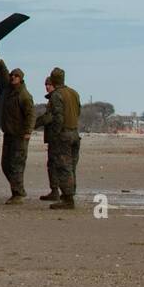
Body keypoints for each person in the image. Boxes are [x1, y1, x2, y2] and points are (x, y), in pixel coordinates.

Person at [35, 67, 81, 211]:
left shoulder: (56, 95)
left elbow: (58, 118)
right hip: (74, 133)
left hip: (63, 136)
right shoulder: (73, 93)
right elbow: (78, 111)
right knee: (71, 166)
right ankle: (68, 195)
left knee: (63, 167)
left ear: (53, 79)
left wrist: (55, 135)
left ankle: (68, 199)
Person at [0, 57, 35, 203]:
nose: (13, 78)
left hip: (19, 136)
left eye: (16, 76)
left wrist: (28, 131)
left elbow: (31, 115)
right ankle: (18, 190)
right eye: (12, 76)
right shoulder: (9, 89)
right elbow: (4, 75)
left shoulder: (25, 96)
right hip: (9, 134)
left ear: (21, 79)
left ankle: (18, 194)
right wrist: (0, 63)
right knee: (6, 165)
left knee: (16, 165)